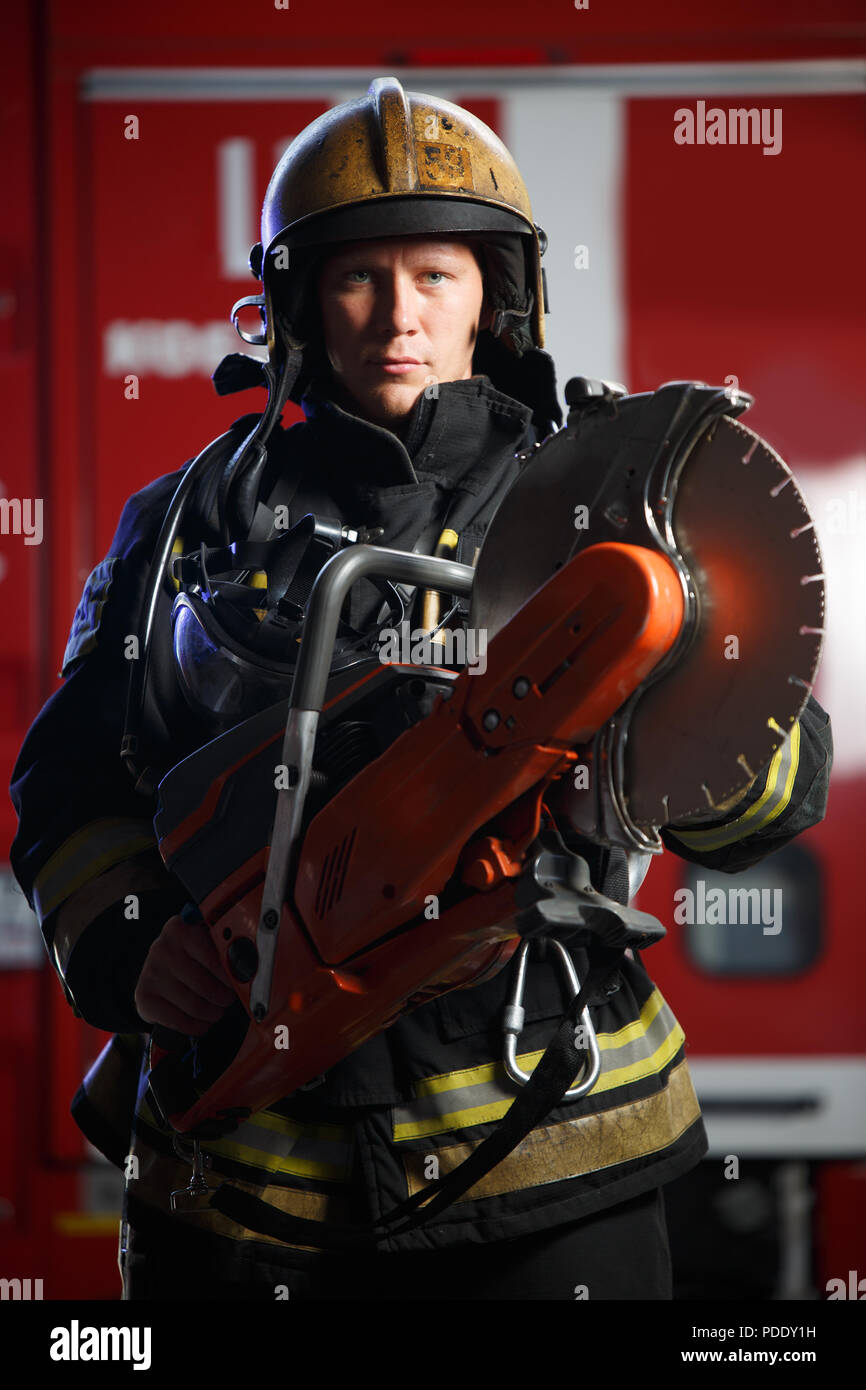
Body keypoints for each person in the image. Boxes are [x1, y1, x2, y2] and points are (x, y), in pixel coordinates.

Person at [9, 77, 832, 1301]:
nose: (397, 313)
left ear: (491, 298)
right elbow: (66, 781)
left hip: (551, 1144)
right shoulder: (179, 526)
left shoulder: (604, 510)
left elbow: (772, 791)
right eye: (357, 276)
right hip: (248, 1167)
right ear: (295, 299)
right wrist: (132, 942)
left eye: (434, 277)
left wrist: (667, 701)